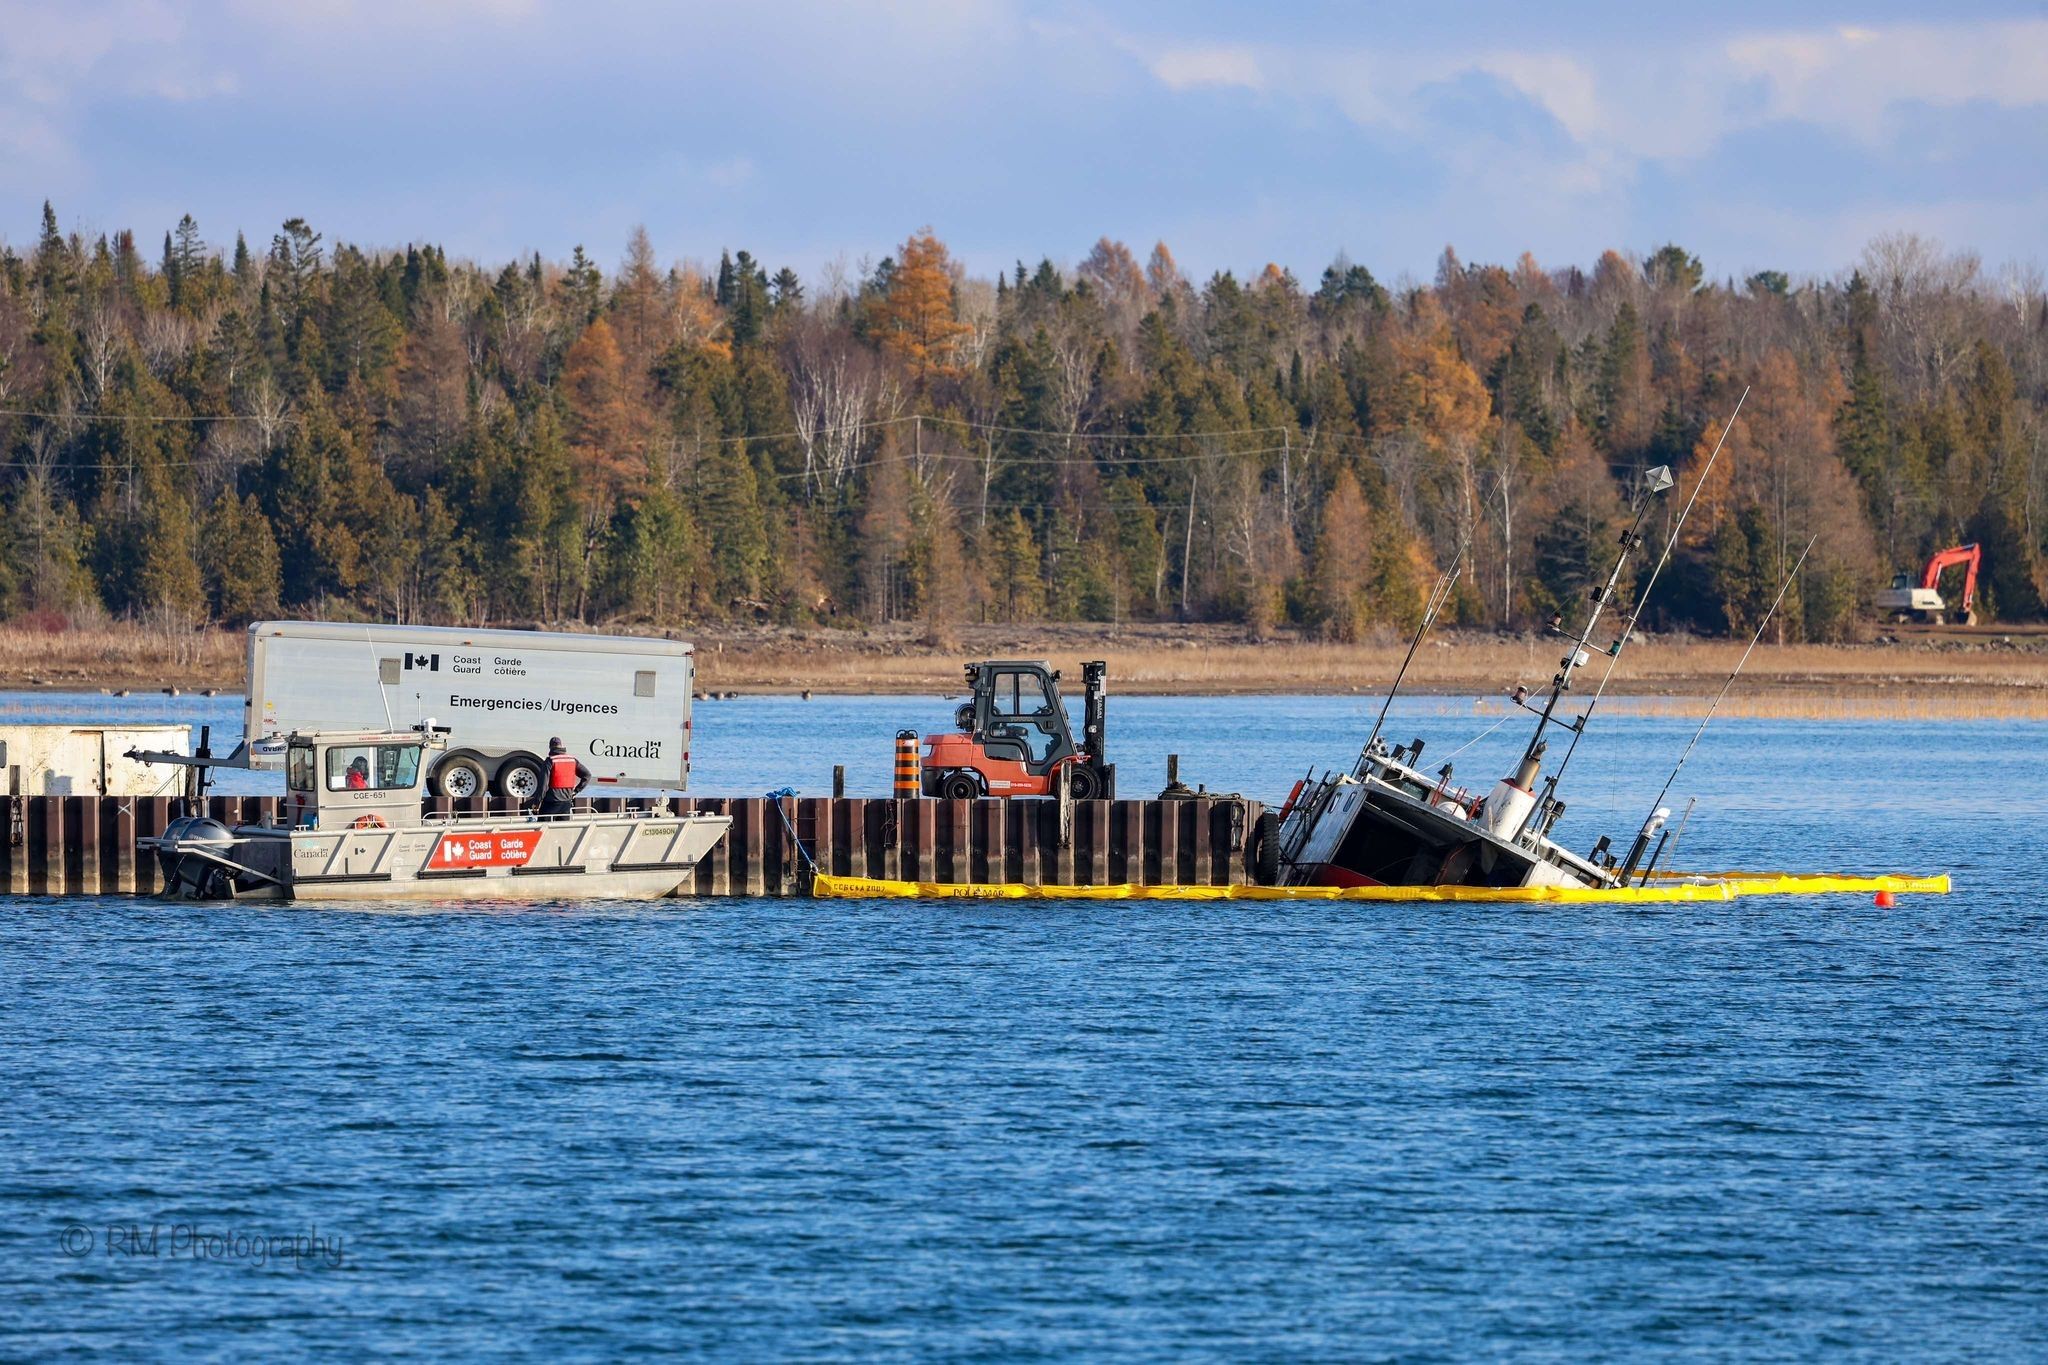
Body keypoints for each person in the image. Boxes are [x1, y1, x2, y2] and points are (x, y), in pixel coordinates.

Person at [537, 736, 590, 818]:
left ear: (550, 747)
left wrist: (536, 802)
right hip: (566, 803)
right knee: (562, 829)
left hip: (551, 802)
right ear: (561, 746)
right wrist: (576, 791)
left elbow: (543, 785)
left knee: (543, 827)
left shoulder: (550, 761)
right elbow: (587, 775)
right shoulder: (573, 760)